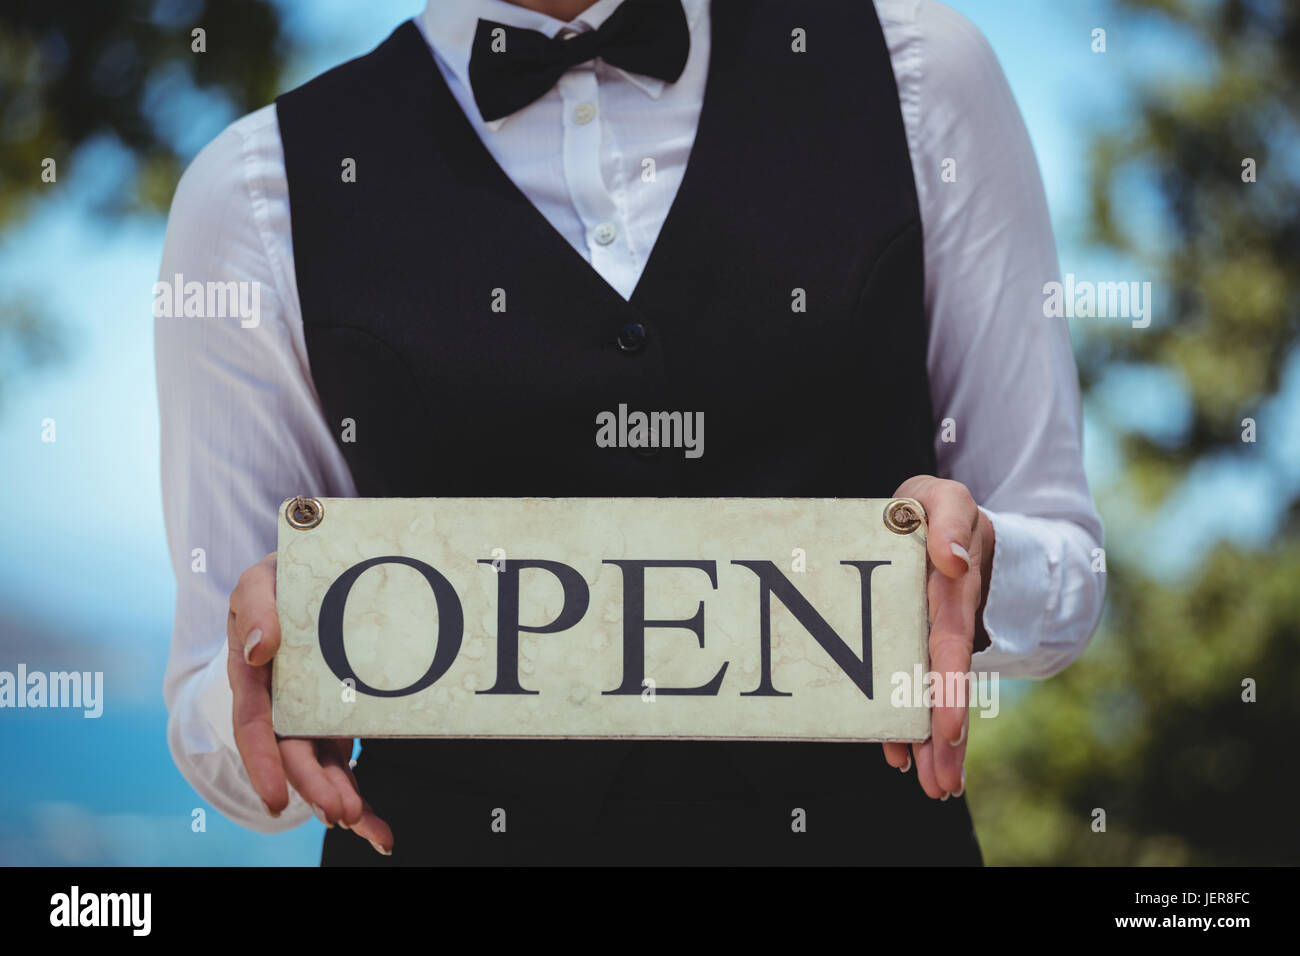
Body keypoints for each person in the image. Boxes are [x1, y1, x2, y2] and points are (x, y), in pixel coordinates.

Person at [158, 0, 1105, 865]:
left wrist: (975, 564)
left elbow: (1063, 565)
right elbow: (218, 710)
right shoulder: (251, 197)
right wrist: (273, 679)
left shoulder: (922, 74)